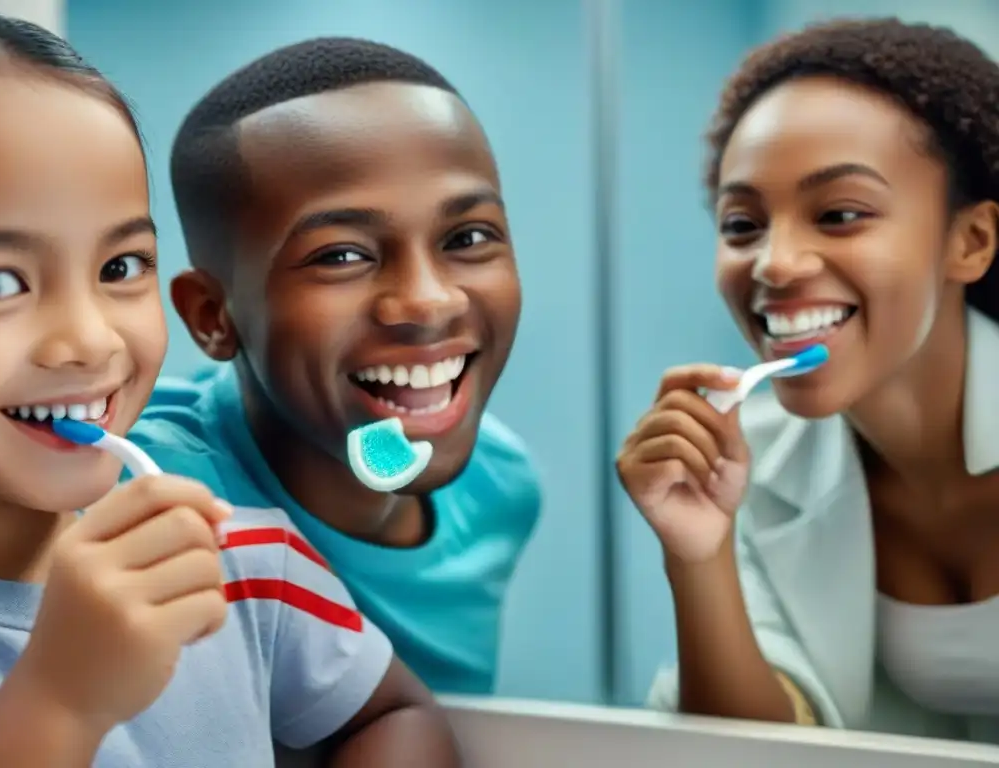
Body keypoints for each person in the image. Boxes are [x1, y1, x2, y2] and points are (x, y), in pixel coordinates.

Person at [0, 9, 459, 766]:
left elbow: (394, 713)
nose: (91, 340)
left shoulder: (240, 558)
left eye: (119, 267)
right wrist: (58, 703)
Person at [619, 17, 999, 742]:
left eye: (839, 214)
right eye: (741, 225)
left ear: (969, 241)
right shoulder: (747, 458)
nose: (775, 263)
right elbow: (760, 750)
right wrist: (698, 556)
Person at [131, 37, 541, 695]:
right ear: (212, 315)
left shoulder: (501, 485)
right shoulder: (140, 493)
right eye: (341, 256)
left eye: (467, 238)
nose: (429, 302)